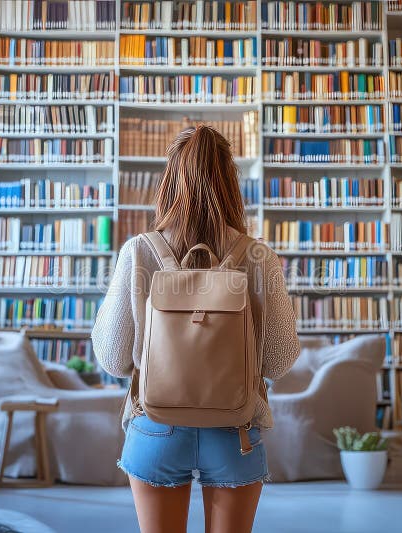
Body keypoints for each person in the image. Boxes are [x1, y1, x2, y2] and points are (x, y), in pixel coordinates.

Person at [92, 125, 300, 533]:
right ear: (230, 184)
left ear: (169, 181)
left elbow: (114, 360)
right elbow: (278, 361)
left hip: (156, 424)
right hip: (236, 427)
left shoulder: (139, 251)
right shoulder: (259, 256)